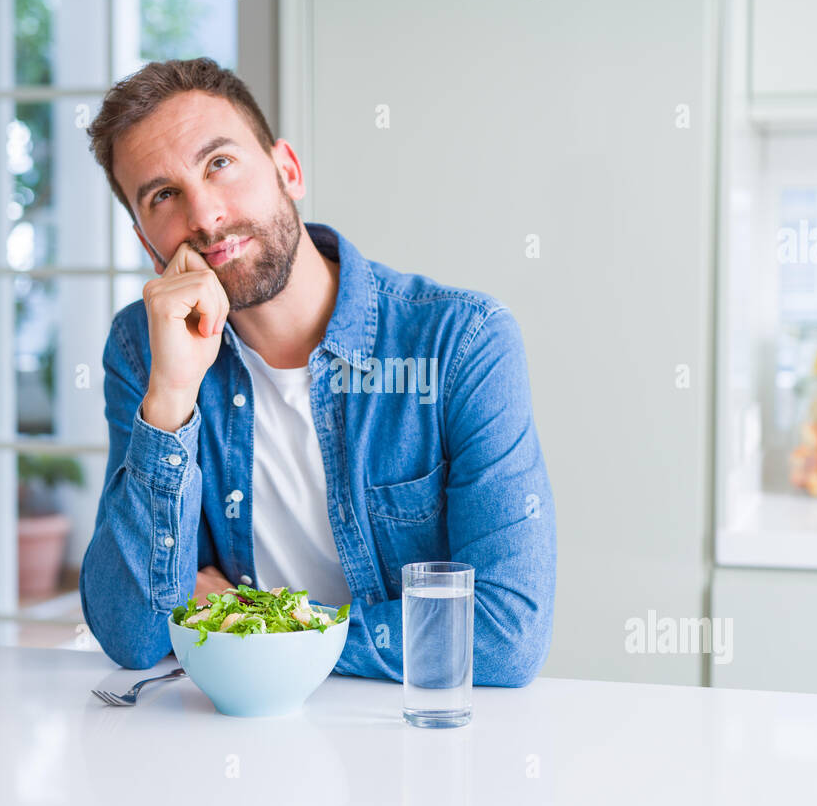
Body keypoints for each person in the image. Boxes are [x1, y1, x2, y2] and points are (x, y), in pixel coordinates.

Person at [79, 57, 555, 686]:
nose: (205, 215)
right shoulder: (144, 350)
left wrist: (252, 623)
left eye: (219, 163)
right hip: (232, 739)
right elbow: (133, 634)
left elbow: (504, 634)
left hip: (412, 744)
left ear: (287, 171)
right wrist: (170, 397)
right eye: (164, 195)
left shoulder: (463, 343)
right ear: (148, 242)